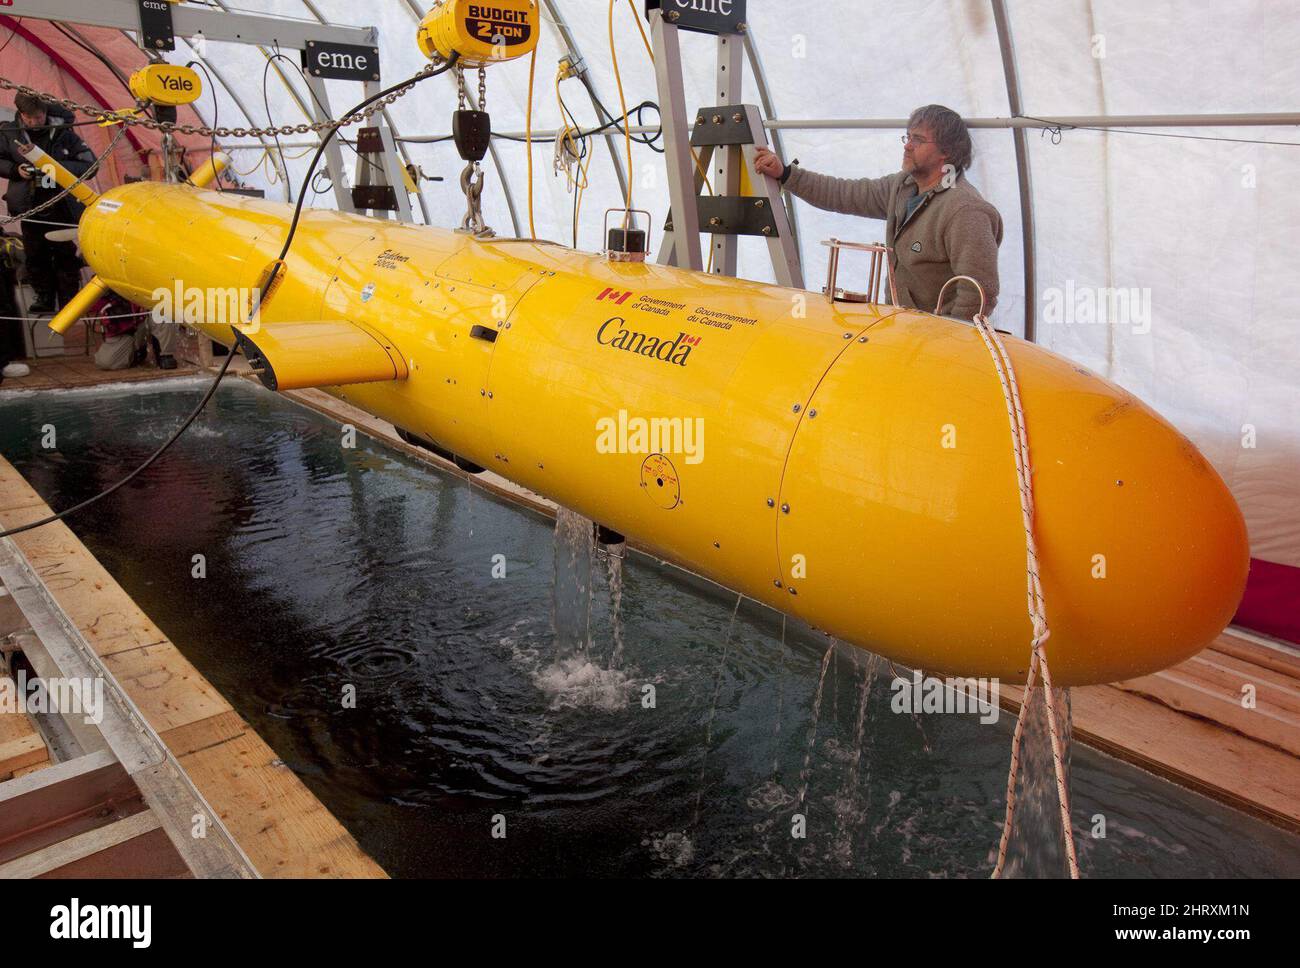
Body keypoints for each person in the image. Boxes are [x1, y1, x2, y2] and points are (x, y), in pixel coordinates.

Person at [755, 104, 1002, 321]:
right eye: (907, 137)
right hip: (901, 331)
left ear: (946, 151)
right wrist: (786, 174)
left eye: (918, 139)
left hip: (936, 348)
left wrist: (950, 341)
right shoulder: (902, 187)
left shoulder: (965, 210)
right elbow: (843, 194)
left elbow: (979, 293)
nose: (907, 146)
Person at [0, 93, 95, 315]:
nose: (36, 122)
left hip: (63, 204)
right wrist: (16, 170)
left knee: (65, 253)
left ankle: (70, 301)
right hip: (30, 205)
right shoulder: (8, 133)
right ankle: (44, 297)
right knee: (35, 254)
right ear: (22, 115)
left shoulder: (64, 133)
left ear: (45, 111)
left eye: (40, 116)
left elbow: (90, 164)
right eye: (30, 118)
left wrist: (55, 168)